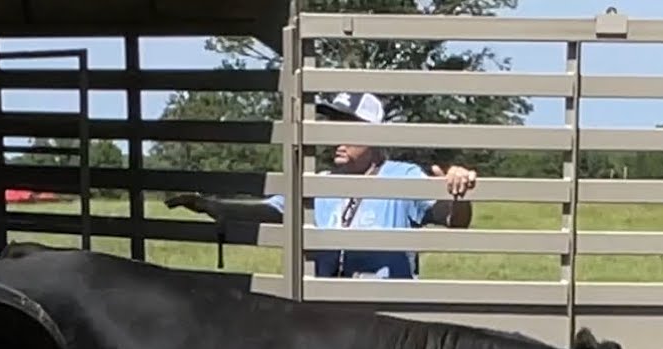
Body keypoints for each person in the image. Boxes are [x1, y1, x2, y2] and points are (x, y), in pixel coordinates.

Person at [165, 91, 478, 279]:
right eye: (333, 125)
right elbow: (275, 210)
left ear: (374, 135)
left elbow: (453, 218)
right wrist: (214, 206)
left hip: (388, 320)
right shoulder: (320, 183)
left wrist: (456, 190)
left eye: (348, 126)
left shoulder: (401, 176)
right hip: (330, 315)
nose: (336, 136)